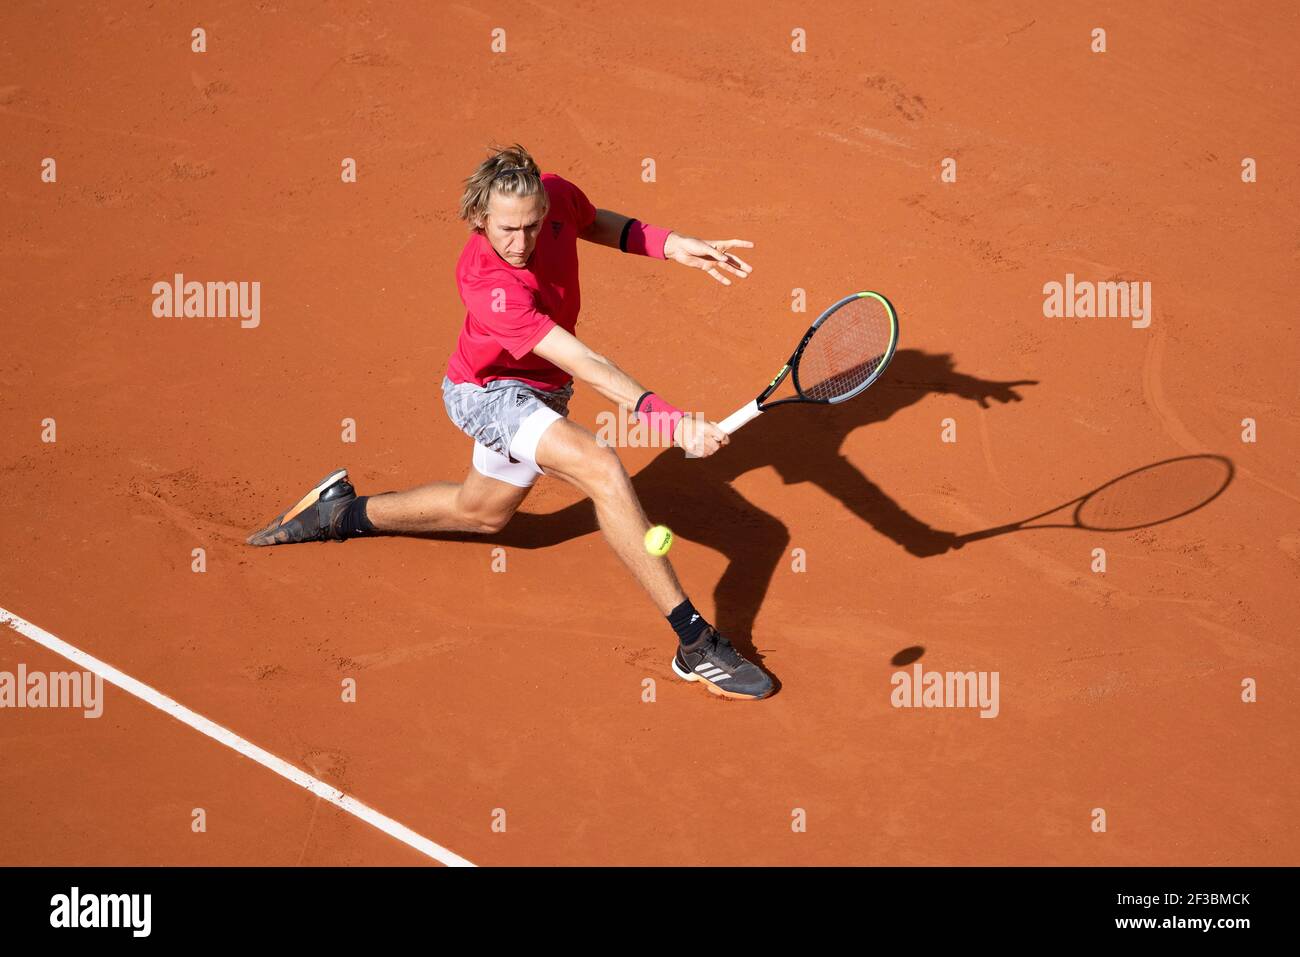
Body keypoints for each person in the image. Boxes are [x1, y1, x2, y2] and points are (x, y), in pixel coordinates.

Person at [247, 144, 773, 700]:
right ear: (479, 218)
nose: (520, 243)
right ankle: (695, 643)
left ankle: (339, 513)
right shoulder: (487, 282)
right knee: (599, 465)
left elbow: (596, 223)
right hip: (488, 392)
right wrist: (671, 422)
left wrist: (670, 244)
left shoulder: (555, 196)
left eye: (531, 226)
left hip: (546, 388)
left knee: (482, 514)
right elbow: (586, 361)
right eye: (506, 230)